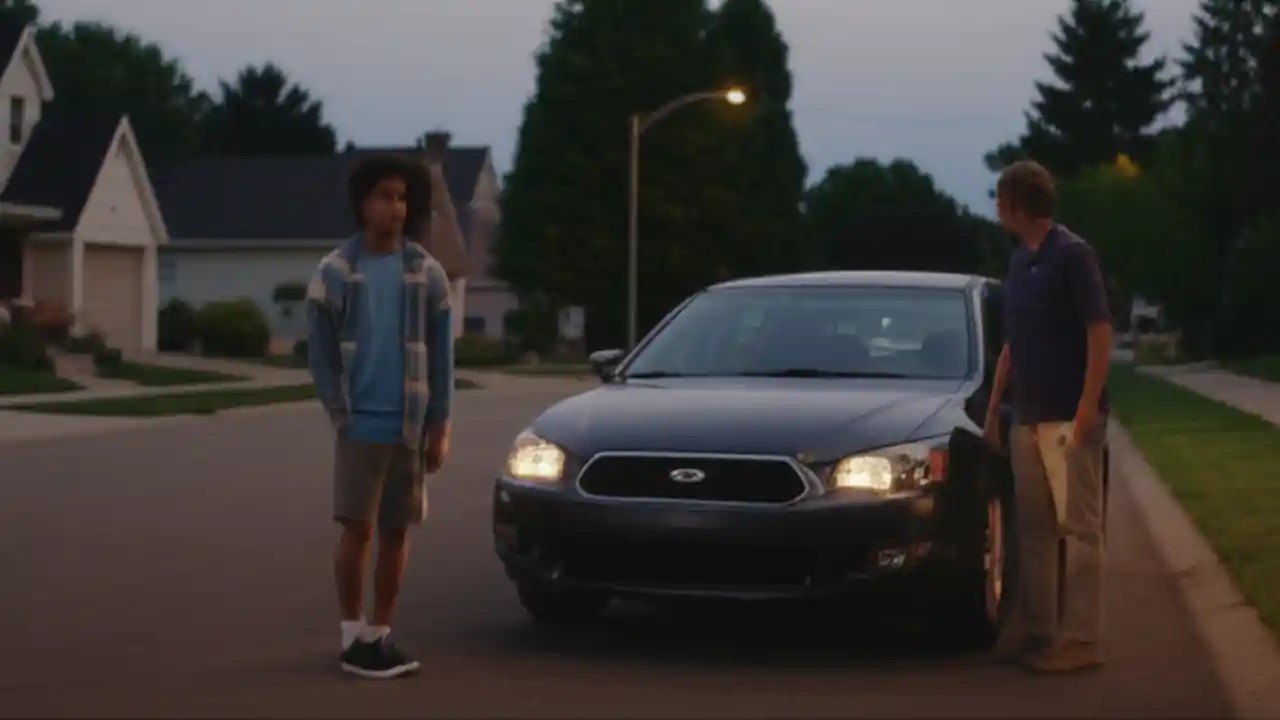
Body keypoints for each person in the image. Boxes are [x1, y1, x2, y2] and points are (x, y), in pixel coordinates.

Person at [306, 153, 454, 679]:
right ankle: (351, 634)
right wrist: (338, 409)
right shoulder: (336, 272)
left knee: (397, 531)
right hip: (359, 423)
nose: (396, 206)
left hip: (409, 424)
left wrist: (441, 424)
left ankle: (379, 634)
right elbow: (320, 354)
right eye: (385, 196)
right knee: (358, 530)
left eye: (403, 197)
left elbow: (442, 357)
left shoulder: (426, 273)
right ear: (363, 203)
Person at [984, 160, 1113, 673]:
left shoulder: (1073, 256)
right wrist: (996, 405)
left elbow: (1099, 331)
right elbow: (1014, 344)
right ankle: (1038, 629)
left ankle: (1081, 640)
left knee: (1079, 531)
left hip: (1067, 416)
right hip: (1027, 416)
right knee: (1033, 529)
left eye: (999, 202)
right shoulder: (1019, 263)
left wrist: (1086, 407)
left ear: (1018, 204)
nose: (996, 211)